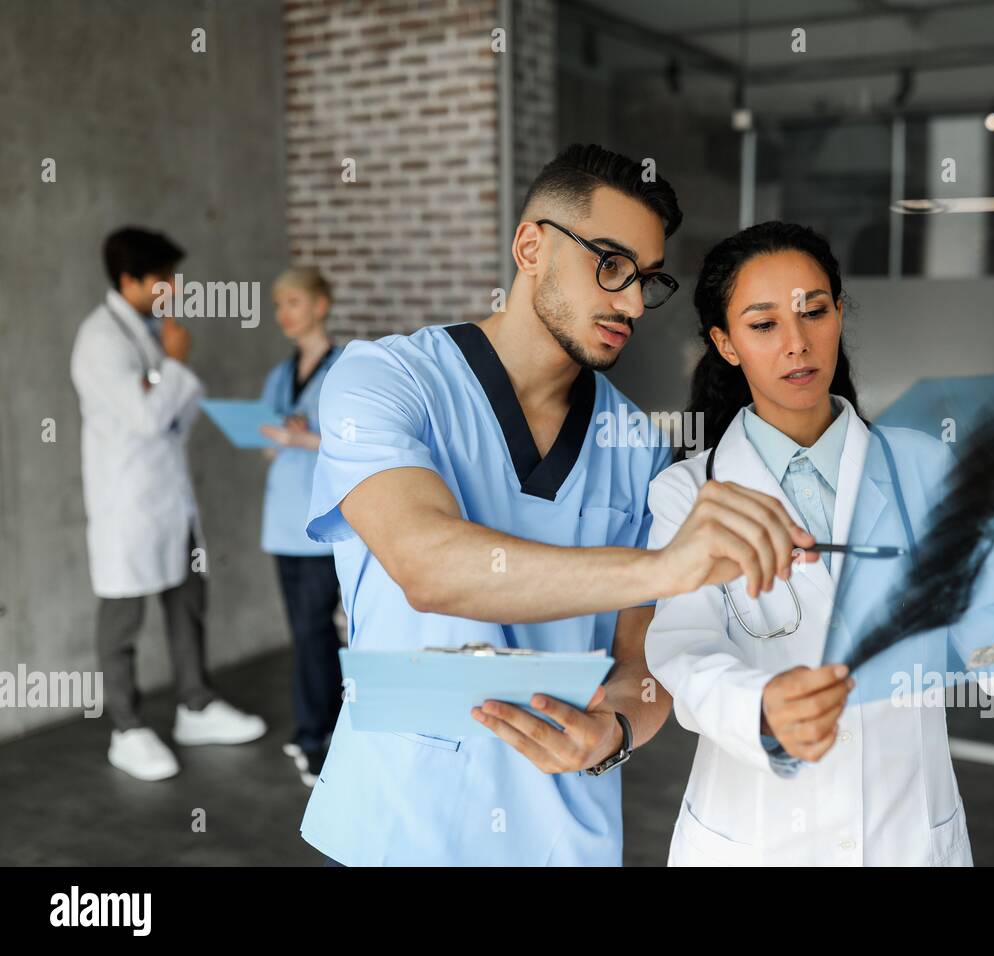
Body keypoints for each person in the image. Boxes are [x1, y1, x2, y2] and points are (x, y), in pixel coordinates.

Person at [297, 145, 816, 865]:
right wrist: (665, 567)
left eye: (647, 281)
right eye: (610, 265)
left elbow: (643, 667)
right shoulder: (385, 381)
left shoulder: (636, 447)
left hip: (562, 835)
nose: (632, 303)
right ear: (531, 245)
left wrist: (617, 734)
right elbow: (427, 564)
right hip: (398, 825)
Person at [643, 221, 994, 866]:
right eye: (763, 325)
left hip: (902, 835)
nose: (796, 343)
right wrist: (762, 708)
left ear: (838, 315)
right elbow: (684, 649)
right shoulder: (689, 491)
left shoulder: (926, 470)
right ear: (726, 343)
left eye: (813, 312)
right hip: (754, 839)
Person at [70, 226, 267, 782]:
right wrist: (176, 363)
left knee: (188, 599)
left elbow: (174, 419)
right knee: (123, 617)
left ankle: (195, 705)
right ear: (130, 280)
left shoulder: (149, 330)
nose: (173, 288)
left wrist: (169, 370)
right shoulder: (100, 340)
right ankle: (126, 729)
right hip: (127, 502)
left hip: (167, 497)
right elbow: (147, 417)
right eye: (163, 279)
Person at [257, 267, 344, 788]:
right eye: (277, 304)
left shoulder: (345, 369)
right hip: (280, 522)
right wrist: (273, 437)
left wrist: (304, 437)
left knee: (314, 630)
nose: (283, 314)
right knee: (303, 632)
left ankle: (316, 737)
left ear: (320, 304)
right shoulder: (277, 373)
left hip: (318, 526)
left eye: (292, 302)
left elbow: (352, 444)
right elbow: (269, 446)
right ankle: (318, 726)